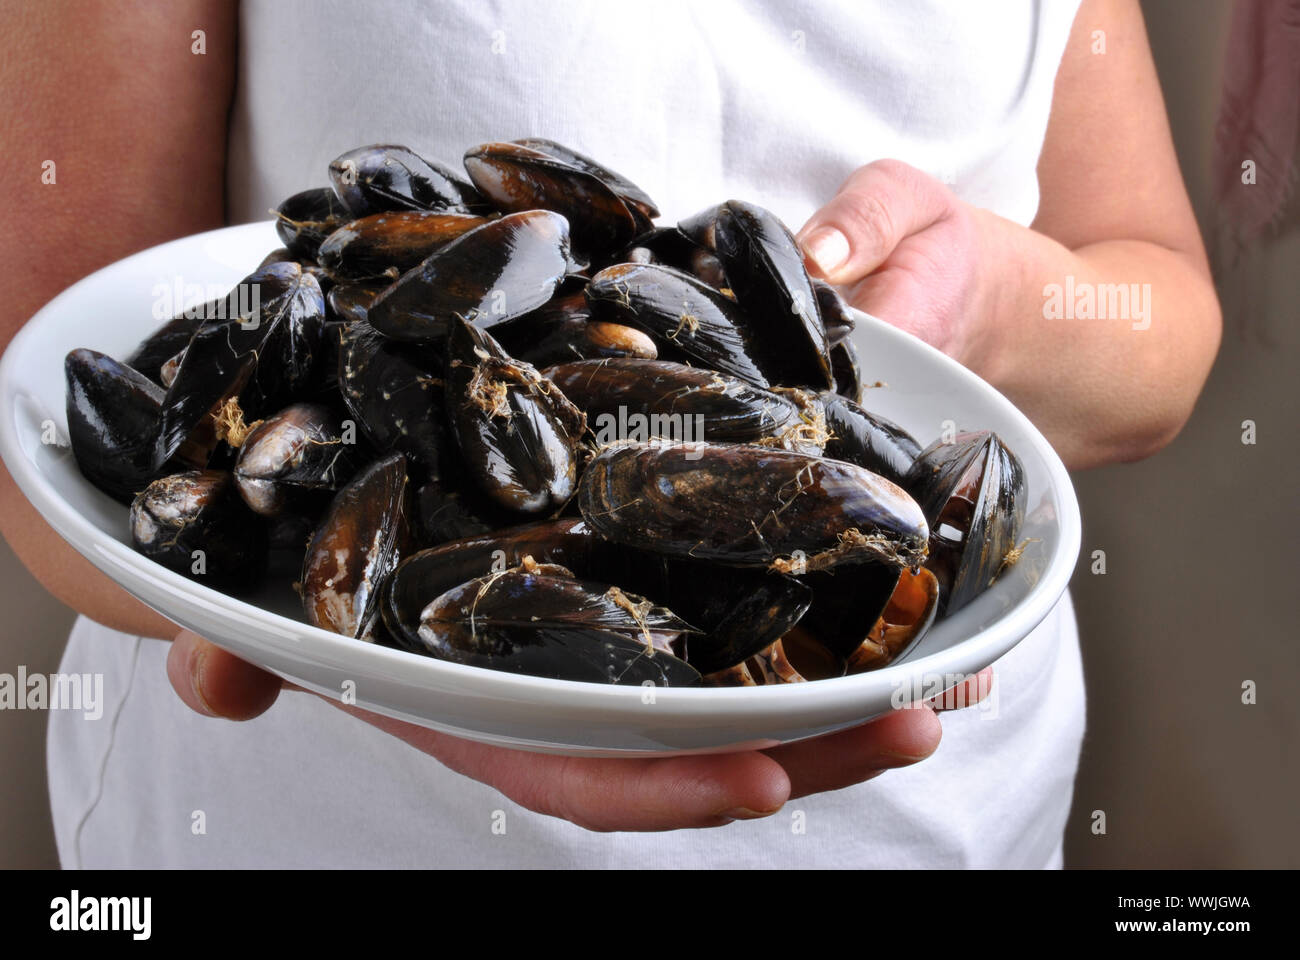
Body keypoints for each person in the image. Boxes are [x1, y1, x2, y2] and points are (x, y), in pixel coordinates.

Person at [1, 0, 1220, 867]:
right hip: (332, 815)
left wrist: (990, 307)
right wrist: (328, 638)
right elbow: (44, 425)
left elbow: (1159, 311)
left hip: (937, 808)